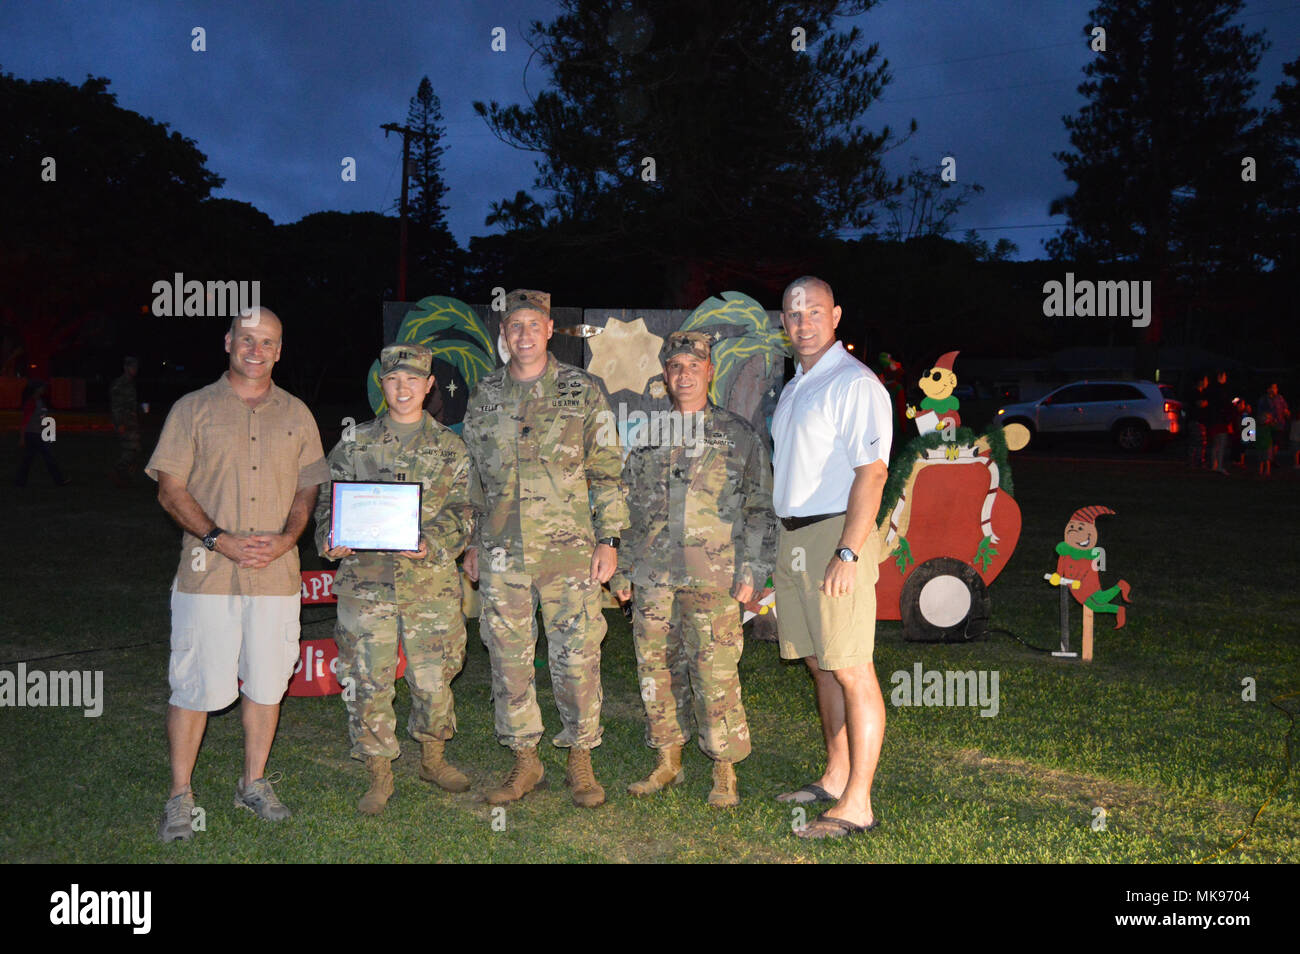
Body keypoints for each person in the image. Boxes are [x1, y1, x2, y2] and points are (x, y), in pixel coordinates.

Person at [147, 307, 329, 842]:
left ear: (280, 349)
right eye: (246, 339)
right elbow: (169, 488)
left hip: (276, 576)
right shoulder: (192, 409)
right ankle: (180, 795)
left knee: (269, 682)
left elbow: (308, 487)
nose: (256, 349)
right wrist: (217, 538)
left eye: (267, 341)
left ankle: (253, 783)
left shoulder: (297, 413)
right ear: (228, 341)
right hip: (209, 576)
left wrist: (288, 538)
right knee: (193, 684)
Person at [461, 289, 628, 808]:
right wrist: (469, 540)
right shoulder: (484, 395)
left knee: (577, 655)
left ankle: (580, 757)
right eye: (515, 327)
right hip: (501, 551)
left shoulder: (583, 390)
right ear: (504, 335)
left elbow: (606, 468)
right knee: (508, 657)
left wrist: (610, 539)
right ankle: (524, 759)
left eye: (534, 325)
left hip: (570, 550)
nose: (524, 335)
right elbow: (469, 478)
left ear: (550, 330)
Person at [610, 331, 777, 807]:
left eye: (693, 365)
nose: (684, 374)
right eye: (675, 367)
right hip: (654, 577)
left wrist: (755, 568)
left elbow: (761, 510)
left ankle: (723, 769)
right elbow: (628, 508)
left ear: (709, 371)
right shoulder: (647, 438)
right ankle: (668, 760)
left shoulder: (739, 435)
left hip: (714, 574)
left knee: (715, 670)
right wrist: (622, 571)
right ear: (666, 376)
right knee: (656, 669)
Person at [313, 343, 477, 814]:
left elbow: (466, 513)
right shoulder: (354, 443)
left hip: (429, 585)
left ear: (429, 387)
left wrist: (436, 543)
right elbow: (326, 505)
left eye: (413, 380)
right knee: (368, 679)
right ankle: (379, 771)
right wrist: (330, 539)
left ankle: (432, 757)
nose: (402, 388)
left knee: (434, 678)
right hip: (366, 585)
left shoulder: (451, 448)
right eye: (393, 379)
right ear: (381, 385)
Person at [770, 276, 892, 839]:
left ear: (836, 315)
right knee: (821, 664)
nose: (803, 322)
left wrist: (848, 549)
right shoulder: (797, 386)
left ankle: (858, 804)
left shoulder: (854, 383)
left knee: (851, 666)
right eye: (793, 314)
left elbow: (873, 472)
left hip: (835, 536)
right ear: (783, 322)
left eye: (814, 311)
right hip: (795, 537)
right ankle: (835, 776)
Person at [14, 380, 69, 487]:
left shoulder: (40, 401)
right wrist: (22, 438)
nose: (44, 389)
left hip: (39, 434)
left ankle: (20, 482)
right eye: (42, 387)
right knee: (48, 457)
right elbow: (25, 421)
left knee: (28, 459)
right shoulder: (32, 402)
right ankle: (59, 480)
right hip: (34, 435)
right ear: (36, 389)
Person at [110, 356, 142, 486]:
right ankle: (118, 472)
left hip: (132, 422)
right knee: (131, 450)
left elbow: (131, 404)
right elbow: (116, 406)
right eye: (132, 367)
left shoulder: (130, 383)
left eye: (135, 367)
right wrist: (120, 424)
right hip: (125, 422)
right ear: (126, 368)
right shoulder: (120, 384)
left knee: (135, 450)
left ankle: (125, 477)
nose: (134, 370)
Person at [1206, 369, 1233, 475]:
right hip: (1221, 420)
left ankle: (1214, 465)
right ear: (1221, 377)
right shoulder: (1223, 390)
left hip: (1214, 419)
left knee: (1215, 444)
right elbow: (1225, 405)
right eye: (1224, 376)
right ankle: (1219, 466)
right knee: (1221, 444)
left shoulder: (1211, 389)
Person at [1184, 373, 1209, 469]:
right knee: (1196, 441)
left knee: (1200, 441)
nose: (1207, 383)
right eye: (1206, 380)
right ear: (1201, 381)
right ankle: (1194, 461)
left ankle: (1196, 461)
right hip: (1195, 421)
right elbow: (1199, 404)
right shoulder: (1195, 393)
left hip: (1199, 421)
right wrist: (1204, 403)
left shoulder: (1202, 393)